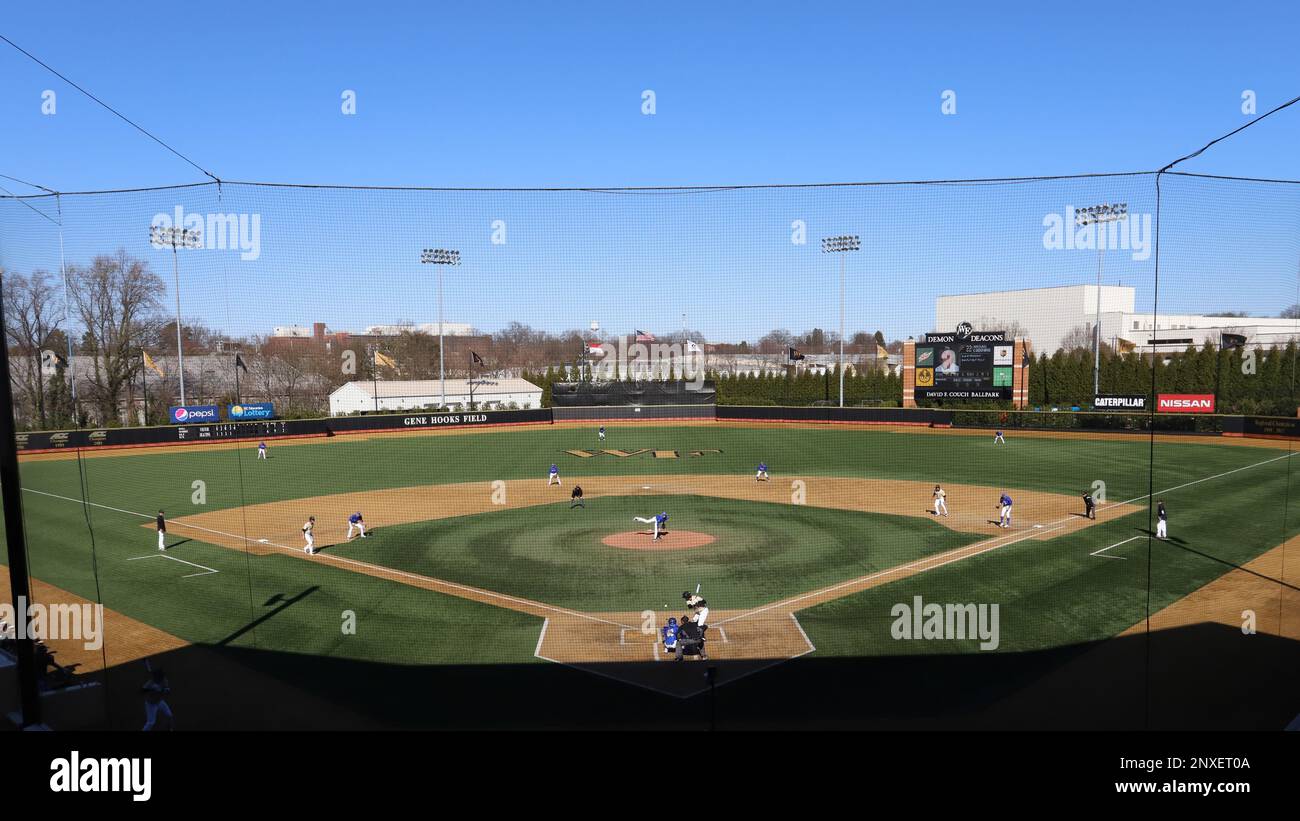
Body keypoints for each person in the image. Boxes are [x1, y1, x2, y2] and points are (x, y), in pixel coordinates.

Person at [141, 662, 174, 731]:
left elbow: (167, 690)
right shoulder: (150, 683)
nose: (162, 677)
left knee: (169, 715)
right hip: (151, 704)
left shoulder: (164, 680)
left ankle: (170, 729)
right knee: (151, 722)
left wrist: (165, 690)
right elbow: (141, 691)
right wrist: (151, 689)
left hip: (159, 702)